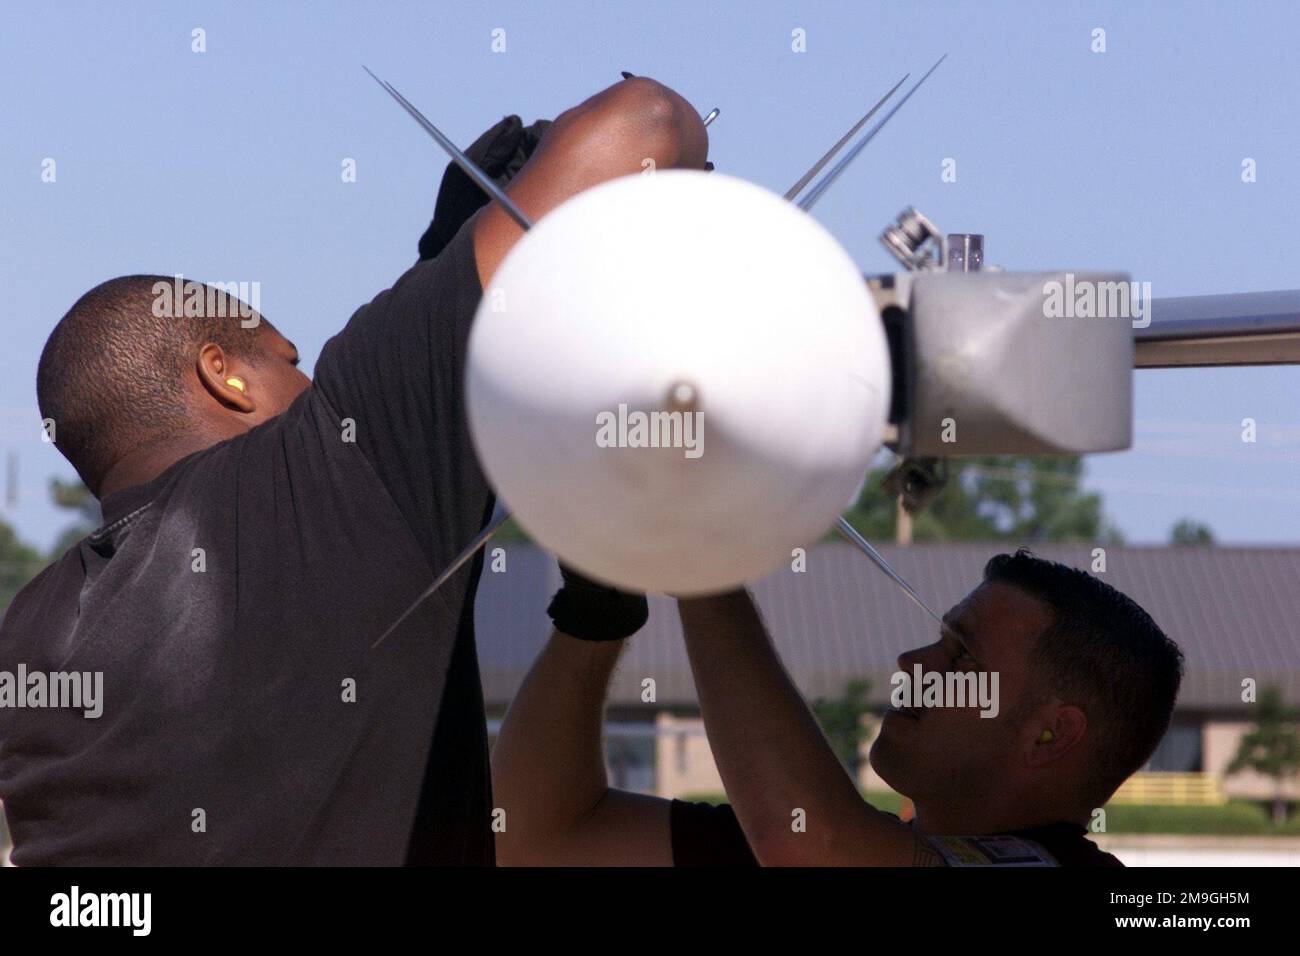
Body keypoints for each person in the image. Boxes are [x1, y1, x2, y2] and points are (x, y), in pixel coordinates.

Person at [0, 76, 709, 865]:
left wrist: (448, 270)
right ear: (224, 374)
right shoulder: (323, 473)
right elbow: (646, 121)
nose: (310, 387)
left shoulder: (27, 631)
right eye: (287, 359)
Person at [492, 550, 1183, 866]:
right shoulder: (816, 840)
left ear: (1049, 735)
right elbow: (533, 838)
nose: (913, 666)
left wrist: (697, 549)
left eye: (960, 656)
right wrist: (595, 611)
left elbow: (809, 847)